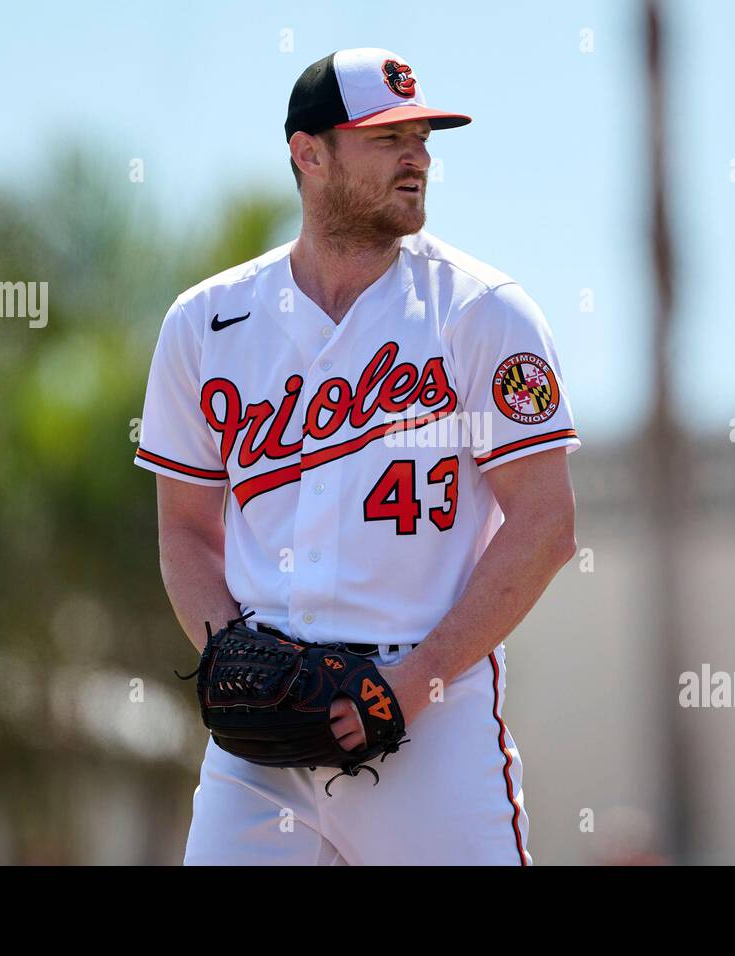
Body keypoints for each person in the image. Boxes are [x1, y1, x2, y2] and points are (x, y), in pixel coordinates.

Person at [134, 48, 580, 865]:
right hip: (263, 746)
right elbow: (186, 532)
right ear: (309, 153)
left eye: (421, 136)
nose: (418, 157)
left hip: (431, 722)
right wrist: (234, 662)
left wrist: (412, 684)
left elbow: (547, 526)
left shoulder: (481, 312)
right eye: (387, 137)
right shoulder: (206, 323)